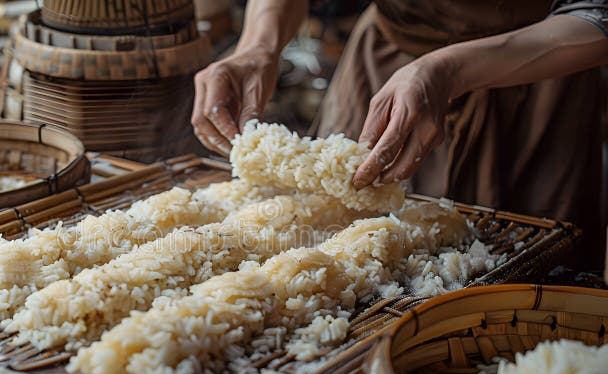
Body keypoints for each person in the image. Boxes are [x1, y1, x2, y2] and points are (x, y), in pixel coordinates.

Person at [191, 0, 608, 267]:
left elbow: (598, 14)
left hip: (534, 70)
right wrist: (259, 44)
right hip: (387, 68)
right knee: (340, 254)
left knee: (518, 274)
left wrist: (450, 69)